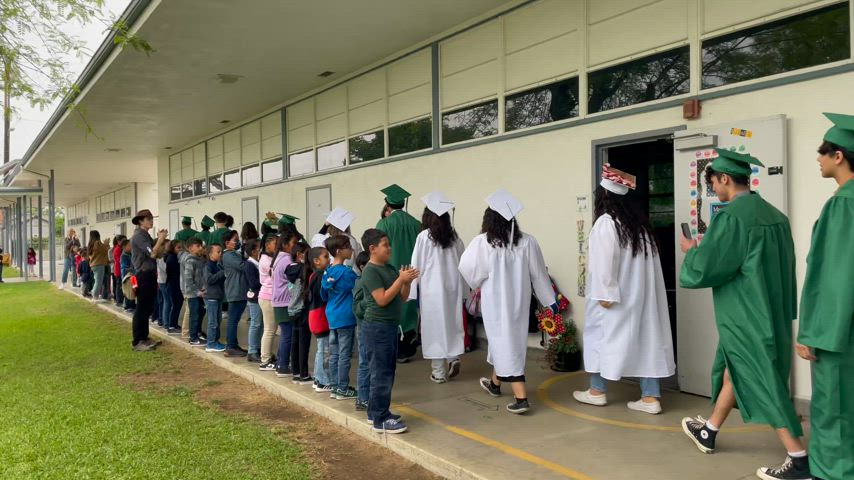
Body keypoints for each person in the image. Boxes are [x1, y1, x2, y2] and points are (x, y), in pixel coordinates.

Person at [678, 148, 809, 480]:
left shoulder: (733, 217)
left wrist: (693, 252)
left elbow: (710, 267)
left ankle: (798, 457)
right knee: (735, 368)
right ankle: (709, 430)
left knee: (761, 376)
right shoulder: (777, 216)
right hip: (771, 310)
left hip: (745, 311)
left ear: (724, 179)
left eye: (713, 183)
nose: (713, 190)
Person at [573, 167, 675, 414]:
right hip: (642, 297)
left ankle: (597, 391)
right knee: (647, 338)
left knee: (600, 338)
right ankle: (650, 398)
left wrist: (605, 294)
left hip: (614, 298)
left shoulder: (606, 224)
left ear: (604, 197)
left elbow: (603, 264)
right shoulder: (641, 228)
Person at [459, 190, 557, 415]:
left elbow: (468, 269)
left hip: (495, 303)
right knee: (506, 342)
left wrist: (479, 281)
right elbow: (539, 274)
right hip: (519, 303)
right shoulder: (528, 242)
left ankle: (521, 398)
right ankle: (494, 384)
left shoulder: (482, 243)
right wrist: (549, 301)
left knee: (504, 342)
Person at [795, 112, 854, 480]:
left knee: (834, 406)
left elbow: (835, 276)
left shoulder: (843, 205)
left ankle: (833, 472)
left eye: (823, 151)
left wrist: (813, 332)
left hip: (838, 331)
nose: (817, 158)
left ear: (839, 156)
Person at [359, 228, 418, 433]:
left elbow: (401, 297)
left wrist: (407, 282)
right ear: (372, 249)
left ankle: (375, 412)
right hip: (377, 328)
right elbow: (382, 299)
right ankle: (380, 419)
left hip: (389, 327)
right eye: (385, 245)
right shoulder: (370, 271)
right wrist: (400, 280)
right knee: (381, 373)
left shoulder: (389, 268)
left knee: (387, 371)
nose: (389, 248)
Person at [409, 191, 466, 384]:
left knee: (433, 327)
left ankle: (439, 372)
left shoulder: (424, 237)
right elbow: (463, 264)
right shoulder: (455, 238)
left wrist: (410, 290)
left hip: (432, 290)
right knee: (451, 322)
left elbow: (416, 265)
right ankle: (453, 357)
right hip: (452, 288)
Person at [375, 184, 422, 362]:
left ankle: (395, 347)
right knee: (409, 305)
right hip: (411, 271)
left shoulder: (384, 223)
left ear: (387, 204)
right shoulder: (416, 223)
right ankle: (407, 347)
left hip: (391, 271)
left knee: (393, 305)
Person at [321, 235, 359, 400]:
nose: (351, 250)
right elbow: (358, 287)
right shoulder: (346, 273)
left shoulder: (327, 271)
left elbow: (323, 295)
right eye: (348, 247)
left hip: (332, 315)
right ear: (339, 251)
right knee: (344, 354)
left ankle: (335, 386)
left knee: (334, 353)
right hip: (345, 316)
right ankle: (343, 387)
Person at [129, 209, 167, 351]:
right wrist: (161, 240)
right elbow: (152, 254)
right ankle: (138, 340)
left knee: (147, 308)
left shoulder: (145, 235)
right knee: (142, 308)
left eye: (151, 218)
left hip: (150, 274)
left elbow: (158, 253)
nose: (151, 221)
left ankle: (144, 337)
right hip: (143, 275)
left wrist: (159, 241)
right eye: (148, 218)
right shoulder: (139, 236)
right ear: (140, 221)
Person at [272, 230, 300, 374]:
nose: (296, 246)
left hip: (279, 301)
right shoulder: (287, 260)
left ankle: (280, 361)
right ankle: (283, 365)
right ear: (285, 244)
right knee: (287, 335)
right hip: (284, 301)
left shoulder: (280, 258)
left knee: (285, 334)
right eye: (293, 243)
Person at [285, 242, 312, 384]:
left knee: (295, 341)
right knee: (304, 342)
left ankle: (295, 371)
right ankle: (304, 374)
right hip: (303, 309)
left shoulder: (289, 268)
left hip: (291, 308)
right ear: (299, 254)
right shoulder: (304, 269)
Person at [306, 246, 332, 393]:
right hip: (319, 316)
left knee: (321, 349)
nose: (329, 259)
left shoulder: (314, 275)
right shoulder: (320, 276)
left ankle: (318, 377)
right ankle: (323, 381)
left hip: (315, 315)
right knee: (324, 350)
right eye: (326, 257)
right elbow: (322, 295)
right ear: (316, 261)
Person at [222, 230, 249, 357]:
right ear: (227, 243)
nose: (237, 242)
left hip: (239, 290)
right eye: (235, 240)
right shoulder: (228, 255)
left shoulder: (233, 254)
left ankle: (233, 344)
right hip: (235, 290)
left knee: (235, 319)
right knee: (233, 320)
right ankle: (230, 346)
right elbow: (243, 266)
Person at [351, 251, 371, 411]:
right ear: (363, 266)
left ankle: (368, 395)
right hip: (364, 326)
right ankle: (362, 398)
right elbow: (358, 307)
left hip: (370, 325)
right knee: (365, 362)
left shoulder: (370, 280)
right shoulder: (361, 282)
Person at [258, 233, 279, 371]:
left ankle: (268, 355)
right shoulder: (266, 260)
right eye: (275, 244)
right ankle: (265, 360)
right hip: (267, 297)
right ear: (267, 245)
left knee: (272, 329)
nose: (278, 247)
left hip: (271, 296)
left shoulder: (270, 257)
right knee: (269, 330)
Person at [182, 237, 207, 347]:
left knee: (201, 313)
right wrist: (197, 292)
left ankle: (198, 332)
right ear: (190, 248)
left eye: (201, 245)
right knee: (194, 315)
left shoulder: (199, 259)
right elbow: (188, 279)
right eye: (198, 246)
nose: (201, 248)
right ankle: (193, 338)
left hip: (200, 292)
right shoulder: (190, 261)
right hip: (193, 294)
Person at [203, 244, 227, 352]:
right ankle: (211, 343)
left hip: (218, 296)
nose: (220, 254)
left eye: (221, 251)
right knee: (213, 322)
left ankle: (215, 341)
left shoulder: (218, 265)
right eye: (218, 252)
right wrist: (222, 273)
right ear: (210, 254)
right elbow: (209, 280)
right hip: (211, 297)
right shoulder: (208, 266)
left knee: (218, 320)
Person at [244, 239, 263, 362]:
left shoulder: (257, 262)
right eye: (259, 248)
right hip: (254, 297)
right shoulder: (250, 264)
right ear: (253, 251)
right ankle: (252, 350)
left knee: (260, 324)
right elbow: (253, 283)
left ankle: (257, 347)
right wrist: (265, 281)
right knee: (255, 323)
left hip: (259, 296)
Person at [165, 241, 184, 334]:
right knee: (175, 305)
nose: (180, 250)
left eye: (181, 247)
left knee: (178, 304)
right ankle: (171, 326)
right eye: (178, 248)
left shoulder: (176, 257)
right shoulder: (171, 258)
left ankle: (174, 324)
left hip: (176, 284)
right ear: (173, 248)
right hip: (173, 285)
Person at [87, 231, 110, 303]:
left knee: (97, 280)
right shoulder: (97, 243)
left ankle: (94, 293)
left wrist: (106, 245)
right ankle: (95, 297)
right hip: (98, 264)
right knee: (98, 281)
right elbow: (104, 249)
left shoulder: (91, 243)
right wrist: (106, 244)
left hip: (94, 265)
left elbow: (104, 249)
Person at [119, 239, 136, 312]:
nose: (131, 246)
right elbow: (125, 268)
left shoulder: (131, 254)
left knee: (134, 290)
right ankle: (127, 306)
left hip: (134, 276)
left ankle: (132, 306)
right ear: (124, 247)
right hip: (128, 277)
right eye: (129, 245)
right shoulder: (124, 256)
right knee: (128, 291)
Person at [156, 241, 169, 326]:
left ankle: (161, 320)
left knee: (162, 301)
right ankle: (166, 322)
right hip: (163, 281)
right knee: (167, 301)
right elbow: (166, 269)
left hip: (161, 281)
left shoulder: (162, 257)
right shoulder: (161, 258)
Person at [112, 235, 126, 308]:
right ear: (119, 241)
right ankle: (119, 301)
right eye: (123, 240)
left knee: (120, 285)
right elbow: (119, 260)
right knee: (119, 286)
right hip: (118, 270)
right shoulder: (117, 249)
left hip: (119, 269)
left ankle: (119, 300)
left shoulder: (120, 248)